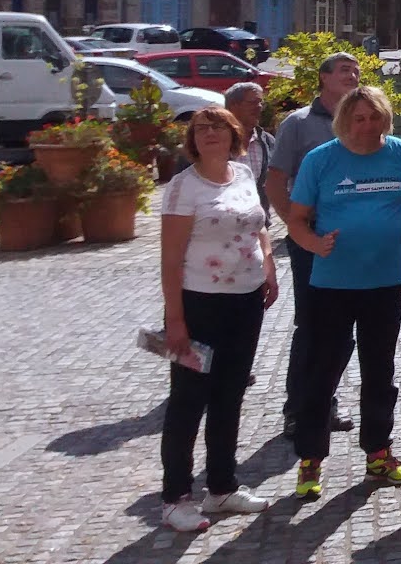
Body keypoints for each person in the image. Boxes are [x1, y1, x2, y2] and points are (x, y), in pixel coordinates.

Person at [285, 85, 401, 498]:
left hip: (385, 283)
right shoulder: (321, 159)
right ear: (344, 121)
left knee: (380, 371)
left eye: (373, 117)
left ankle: (379, 455)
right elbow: (297, 219)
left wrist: (393, 242)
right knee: (322, 371)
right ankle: (310, 460)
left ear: (385, 118)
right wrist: (313, 245)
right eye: (358, 118)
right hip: (331, 284)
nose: (366, 126)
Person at [157, 107, 277, 532]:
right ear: (192, 139)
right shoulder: (183, 187)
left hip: (244, 301)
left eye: (218, 128)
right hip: (199, 304)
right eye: (201, 129)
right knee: (189, 401)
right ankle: (175, 497)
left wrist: (269, 264)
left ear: (233, 135)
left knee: (230, 395)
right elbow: (170, 261)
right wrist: (176, 320)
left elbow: (258, 224)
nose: (210, 134)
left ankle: (222, 487)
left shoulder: (242, 175)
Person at [267, 53, 363, 438]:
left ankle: (324, 401)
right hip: (312, 239)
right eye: (344, 70)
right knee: (312, 325)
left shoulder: (364, 118)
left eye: (356, 71)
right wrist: (296, 223)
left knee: (344, 330)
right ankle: (299, 408)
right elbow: (275, 180)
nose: (353, 75)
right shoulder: (298, 124)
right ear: (323, 78)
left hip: (355, 242)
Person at [224, 82, 276, 213]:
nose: (259, 107)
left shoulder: (268, 142)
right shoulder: (213, 141)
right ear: (233, 106)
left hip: (257, 223)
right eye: (253, 102)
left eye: (260, 103)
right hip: (219, 223)